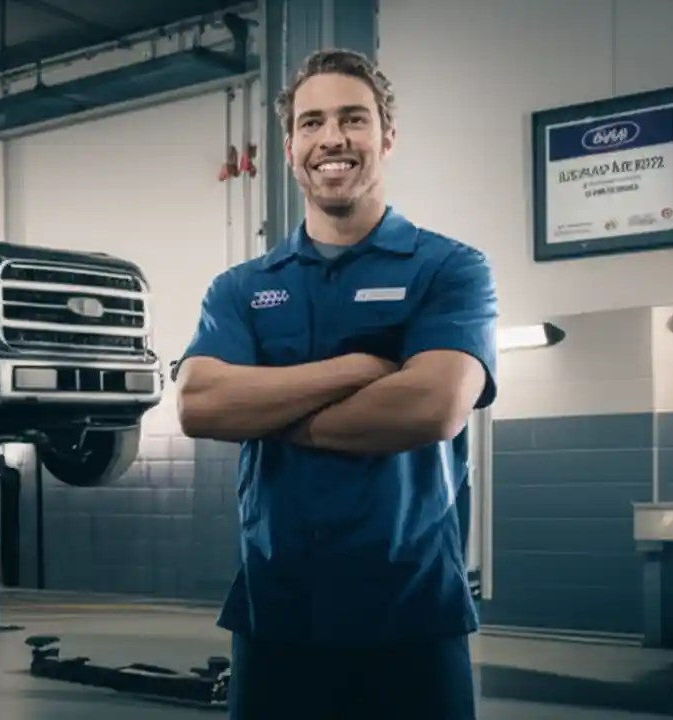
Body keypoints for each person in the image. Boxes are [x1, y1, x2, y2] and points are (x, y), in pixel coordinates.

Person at [175, 48, 498, 719]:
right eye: (312, 122)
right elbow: (201, 404)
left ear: (387, 136)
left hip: (412, 614)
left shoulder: (450, 269)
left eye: (353, 119)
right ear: (289, 144)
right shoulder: (242, 288)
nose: (332, 139)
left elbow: (432, 406)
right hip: (277, 613)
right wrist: (359, 370)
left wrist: (267, 409)